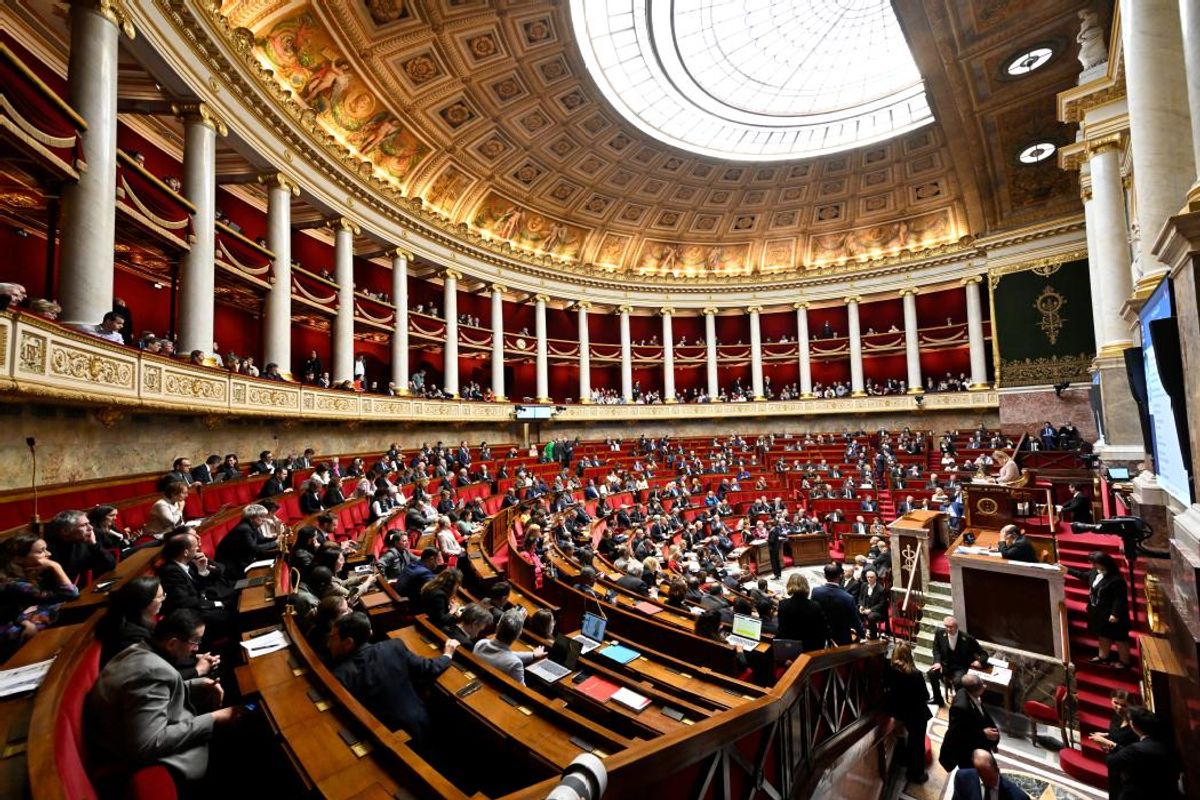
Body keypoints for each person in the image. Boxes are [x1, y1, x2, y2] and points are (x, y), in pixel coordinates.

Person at [85, 610, 240, 790]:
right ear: (172, 643)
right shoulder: (151, 672)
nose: (197, 648)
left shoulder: (138, 648)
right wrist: (214, 718)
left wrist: (198, 684)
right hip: (136, 759)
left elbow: (156, 694)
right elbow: (149, 744)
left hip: (129, 731)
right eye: (195, 642)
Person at [329, 612, 457, 748]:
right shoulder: (394, 646)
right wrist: (447, 655)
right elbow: (428, 668)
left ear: (348, 643)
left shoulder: (341, 675)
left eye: (332, 638)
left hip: (383, 742)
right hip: (419, 722)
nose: (328, 643)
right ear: (369, 632)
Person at [0, 532, 79, 658]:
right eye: (41, 551)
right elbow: (71, 594)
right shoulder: (13, 584)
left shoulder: (21, 575)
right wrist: (56, 566)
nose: (48, 554)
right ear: (18, 558)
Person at [1065, 551, 1132, 668]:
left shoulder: (1117, 580)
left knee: (1120, 638)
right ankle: (1103, 657)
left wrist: (1115, 614)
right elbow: (1082, 575)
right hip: (1099, 612)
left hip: (1113, 614)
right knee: (1103, 635)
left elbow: (1119, 599)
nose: (1093, 566)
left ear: (1103, 564)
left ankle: (1124, 662)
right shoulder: (1095, 572)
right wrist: (1067, 570)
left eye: (1094, 564)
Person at [1104, 707, 1182, 799]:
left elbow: (1111, 761)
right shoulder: (1168, 744)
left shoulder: (1135, 749)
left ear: (1133, 725)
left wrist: (1110, 746)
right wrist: (1116, 746)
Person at [884, 643, 932, 784]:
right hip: (915, 713)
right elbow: (925, 695)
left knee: (901, 738)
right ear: (909, 655)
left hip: (898, 711)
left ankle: (903, 760)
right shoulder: (915, 674)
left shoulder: (890, 670)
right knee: (917, 743)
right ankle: (916, 774)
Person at [938, 674, 1000, 771]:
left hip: (981, 742)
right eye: (982, 684)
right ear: (977, 689)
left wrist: (992, 743)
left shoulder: (967, 691)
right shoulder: (961, 708)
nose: (985, 686)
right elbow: (958, 733)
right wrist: (983, 734)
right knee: (974, 774)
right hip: (968, 751)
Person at [927, 616, 989, 706]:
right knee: (931, 673)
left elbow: (984, 653)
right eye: (946, 626)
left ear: (956, 626)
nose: (948, 629)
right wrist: (937, 662)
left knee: (958, 681)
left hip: (959, 667)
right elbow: (936, 649)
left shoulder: (967, 638)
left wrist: (980, 662)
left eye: (951, 627)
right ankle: (938, 698)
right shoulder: (939, 634)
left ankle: (959, 703)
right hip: (944, 665)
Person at [473, 609, 545, 685]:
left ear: (497, 627)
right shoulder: (515, 664)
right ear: (518, 635)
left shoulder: (480, 644)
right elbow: (521, 691)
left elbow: (502, 654)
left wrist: (532, 655)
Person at [43, 509, 115, 585]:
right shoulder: (47, 551)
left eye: (89, 523)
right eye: (84, 525)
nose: (91, 528)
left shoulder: (84, 543)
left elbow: (110, 565)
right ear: (65, 531)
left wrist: (94, 544)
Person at [213, 504, 280, 578]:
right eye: (261, 516)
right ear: (251, 518)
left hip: (243, 559)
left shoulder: (251, 525)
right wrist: (275, 542)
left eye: (264, 516)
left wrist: (278, 538)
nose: (264, 519)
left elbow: (261, 539)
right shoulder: (244, 529)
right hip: (232, 566)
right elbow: (254, 549)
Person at [810, 562, 863, 645]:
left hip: (821, 633)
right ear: (840, 576)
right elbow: (855, 620)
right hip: (842, 635)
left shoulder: (816, 591)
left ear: (825, 576)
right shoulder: (848, 597)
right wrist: (862, 635)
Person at [776, 573, 831, 652]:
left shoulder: (783, 604)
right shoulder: (815, 606)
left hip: (792, 647)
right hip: (812, 647)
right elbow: (823, 627)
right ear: (806, 586)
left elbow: (782, 629)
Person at [951, 749, 1030, 800]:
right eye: (982, 778)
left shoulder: (1018, 797)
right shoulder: (963, 778)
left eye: (990, 778)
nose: (987, 783)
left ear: (997, 769)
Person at [1088, 690, 1139, 755]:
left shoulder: (1135, 723)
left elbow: (1132, 753)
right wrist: (1106, 735)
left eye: (1123, 705)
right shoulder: (1117, 716)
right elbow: (1120, 734)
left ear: (1131, 705)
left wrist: (1106, 742)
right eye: (1116, 703)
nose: (1119, 707)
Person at [419, 567, 462, 632]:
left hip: (425, 615)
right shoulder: (439, 596)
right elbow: (441, 620)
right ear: (452, 584)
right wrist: (453, 610)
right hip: (432, 627)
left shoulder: (432, 584)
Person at [857, 568, 889, 640]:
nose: (869, 579)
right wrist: (861, 605)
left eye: (871, 577)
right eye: (868, 577)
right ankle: (860, 632)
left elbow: (882, 604)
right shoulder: (864, 585)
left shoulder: (881, 589)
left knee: (871, 617)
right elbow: (860, 598)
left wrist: (870, 610)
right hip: (865, 607)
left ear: (876, 578)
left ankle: (873, 636)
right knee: (855, 610)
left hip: (878, 611)